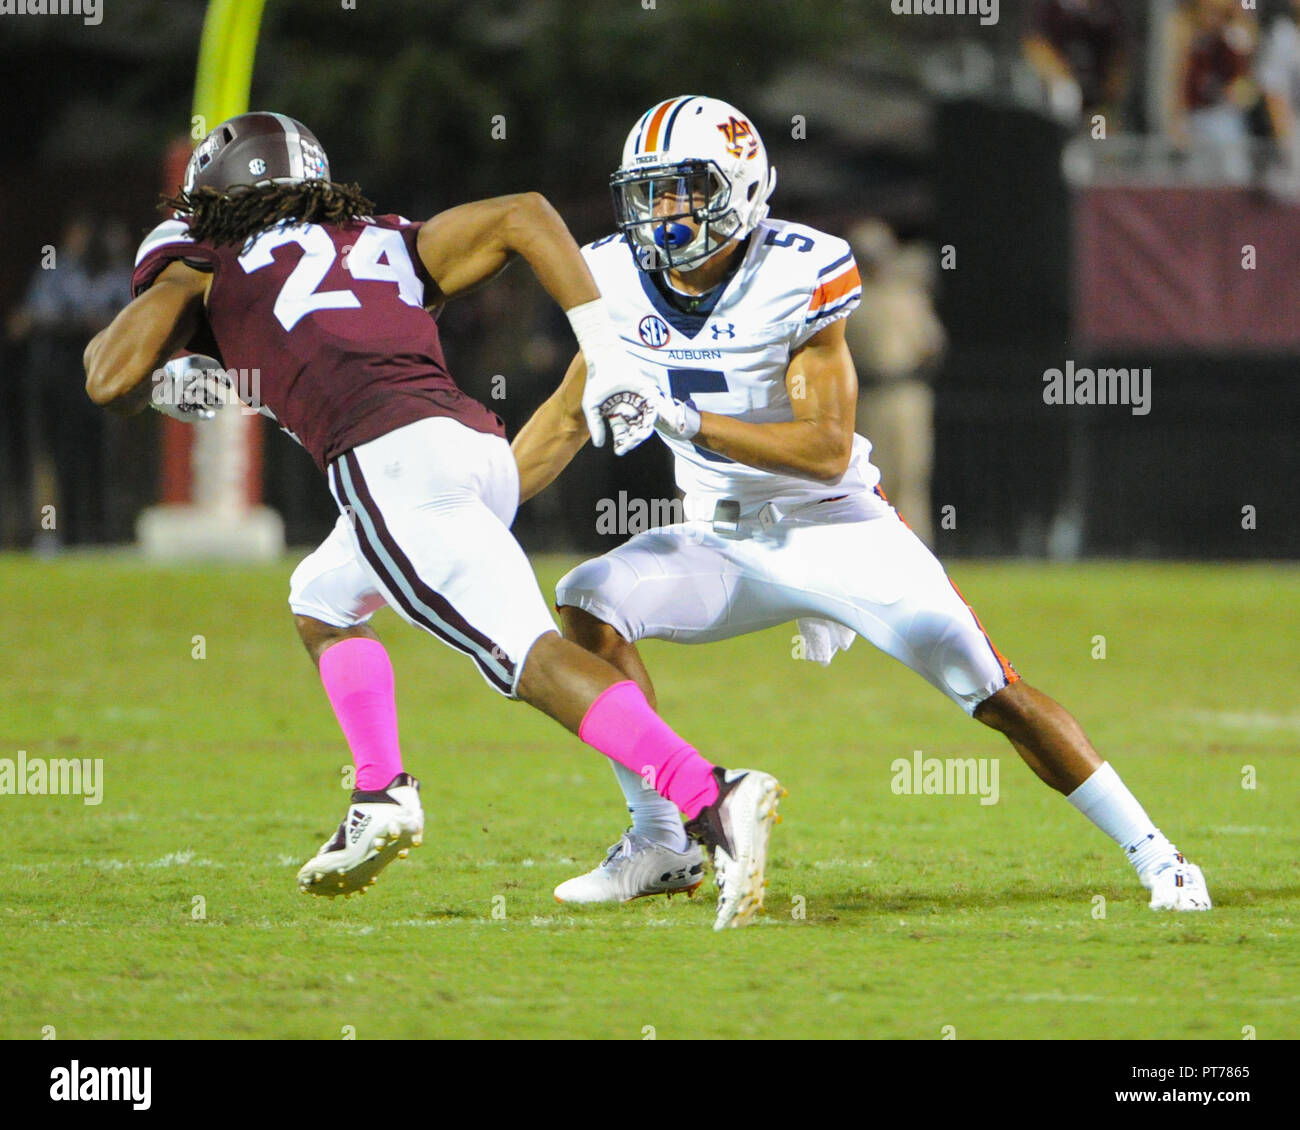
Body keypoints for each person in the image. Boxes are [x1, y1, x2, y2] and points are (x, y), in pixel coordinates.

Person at [82, 111, 782, 930]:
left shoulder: (209, 263)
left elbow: (107, 378)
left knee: (529, 659)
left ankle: (712, 795)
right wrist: (609, 351)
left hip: (394, 470)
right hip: (475, 450)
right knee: (321, 599)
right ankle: (380, 794)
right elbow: (524, 212)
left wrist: (177, 286)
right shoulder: (379, 238)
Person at [511, 95, 1210, 912]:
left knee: (989, 687)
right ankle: (664, 841)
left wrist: (683, 416)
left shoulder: (796, 271)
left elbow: (823, 449)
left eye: (683, 188)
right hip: (720, 539)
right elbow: (564, 418)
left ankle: (1160, 857)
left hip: (834, 526)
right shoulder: (616, 280)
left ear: (737, 187)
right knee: (589, 601)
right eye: (650, 191)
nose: (662, 213)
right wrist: (478, 507)